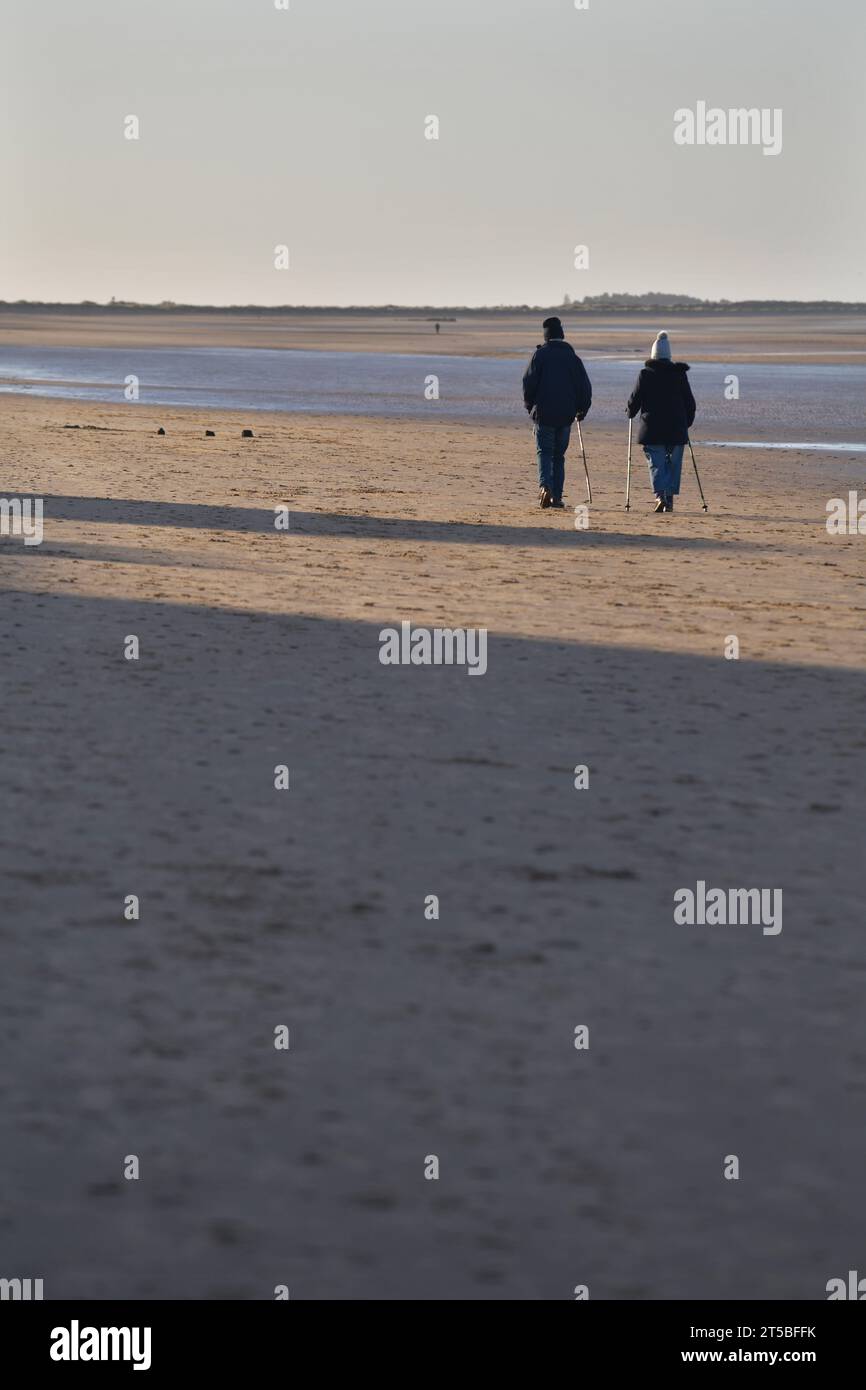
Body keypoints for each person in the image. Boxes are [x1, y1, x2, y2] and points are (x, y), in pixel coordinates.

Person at [522, 317, 592, 509]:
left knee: (544, 453)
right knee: (558, 456)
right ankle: (557, 497)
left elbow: (528, 383)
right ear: (562, 334)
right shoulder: (573, 358)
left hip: (544, 414)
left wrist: (530, 407)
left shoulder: (540, 355)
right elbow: (584, 387)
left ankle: (545, 488)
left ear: (546, 336)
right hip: (565, 415)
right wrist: (582, 409)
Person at [626, 331, 696, 513]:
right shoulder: (679, 375)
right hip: (676, 429)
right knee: (673, 464)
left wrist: (630, 412)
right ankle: (669, 498)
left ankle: (660, 496)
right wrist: (686, 423)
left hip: (652, 429)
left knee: (656, 463)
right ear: (669, 355)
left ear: (653, 354)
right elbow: (690, 403)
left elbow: (635, 400)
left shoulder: (645, 374)